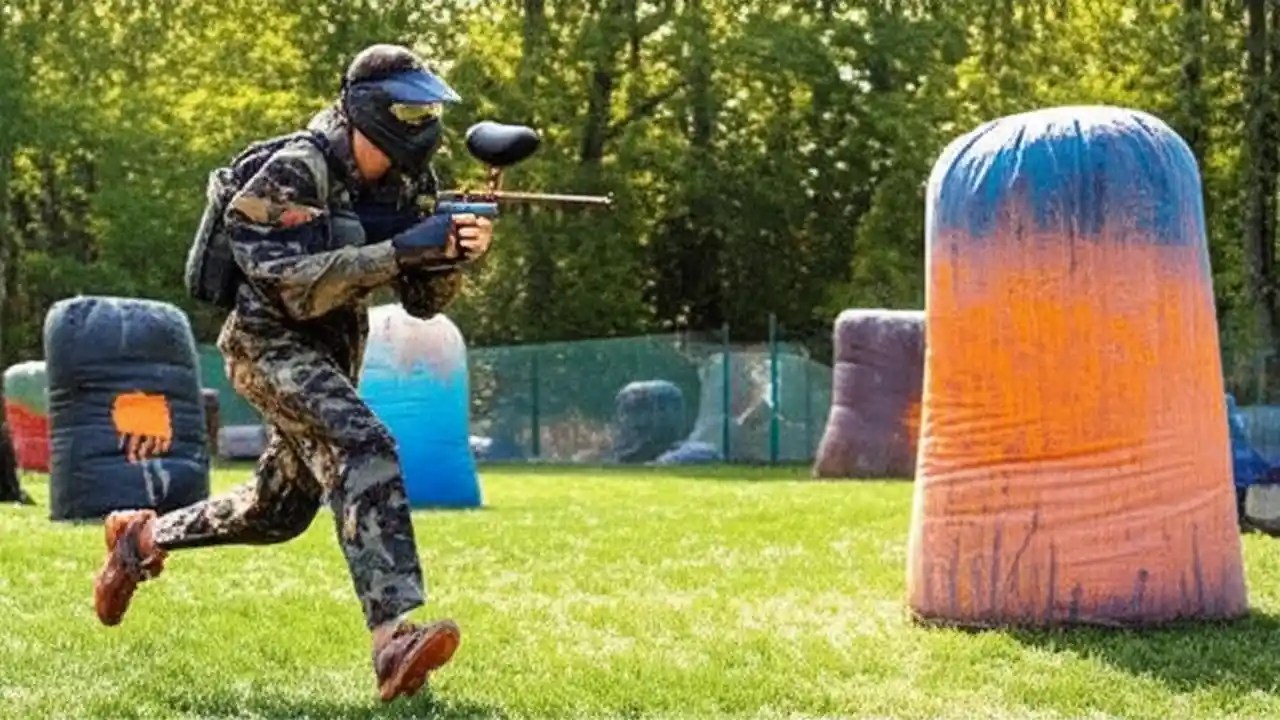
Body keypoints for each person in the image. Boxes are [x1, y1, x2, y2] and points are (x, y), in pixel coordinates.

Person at [91, 44, 489, 703]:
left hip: (333, 354)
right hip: (266, 344)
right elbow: (285, 288)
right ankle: (393, 640)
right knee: (364, 444)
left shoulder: (408, 182)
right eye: (409, 107)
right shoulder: (289, 173)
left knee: (275, 513)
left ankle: (140, 537)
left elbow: (421, 302)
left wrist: (450, 255)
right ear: (370, 109)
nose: (421, 125)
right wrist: (397, 251)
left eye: (427, 107)